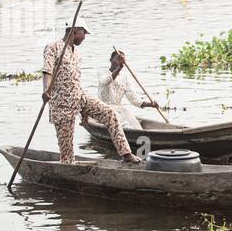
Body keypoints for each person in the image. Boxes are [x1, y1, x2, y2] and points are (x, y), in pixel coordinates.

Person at [41, 21, 140, 164]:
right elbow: (47, 71)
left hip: (80, 97)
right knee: (67, 154)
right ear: (74, 30)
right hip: (62, 104)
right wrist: (46, 90)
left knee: (110, 114)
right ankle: (68, 169)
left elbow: (75, 80)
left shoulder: (77, 53)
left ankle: (126, 153)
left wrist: (84, 112)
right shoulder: (53, 47)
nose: (84, 37)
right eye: (83, 33)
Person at [97, 50, 162, 130]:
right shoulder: (102, 73)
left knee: (135, 125)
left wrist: (150, 104)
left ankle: (139, 134)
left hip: (118, 108)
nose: (119, 62)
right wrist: (119, 67)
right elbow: (105, 82)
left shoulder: (125, 77)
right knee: (120, 122)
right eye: (117, 59)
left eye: (121, 61)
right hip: (103, 108)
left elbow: (133, 99)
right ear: (110, 60)